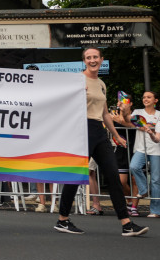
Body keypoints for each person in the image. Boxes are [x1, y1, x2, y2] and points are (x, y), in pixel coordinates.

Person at [53, 47, 148, 236]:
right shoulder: (77, 80)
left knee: (113, 175)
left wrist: (116, 135)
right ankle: (63, 219)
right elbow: (63, 103)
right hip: (81, 128)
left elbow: (104, 113)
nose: (92, 60)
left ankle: (126, 223)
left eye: (95, 57)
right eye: (88, 57)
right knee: (75, 175)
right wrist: (77, 93)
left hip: (99, 131)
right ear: (84, 61)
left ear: (101, 59)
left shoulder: (102, 83)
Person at [119, 91, 160, 217]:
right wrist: (124, 111)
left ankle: (156, 211)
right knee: (134, 166)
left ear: (155, 100)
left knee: (155, 180)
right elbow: (129, 120)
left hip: (156, 149)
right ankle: (143, 189)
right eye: (144, 97)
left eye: (149, 97)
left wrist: (150, 126)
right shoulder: (138, 112)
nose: (145, 99)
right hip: (140, 148)